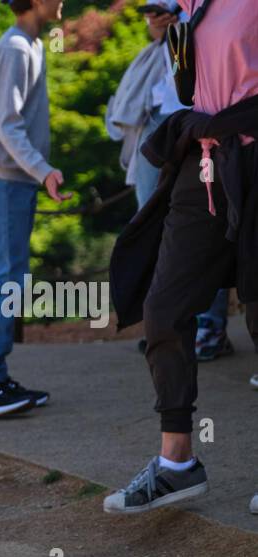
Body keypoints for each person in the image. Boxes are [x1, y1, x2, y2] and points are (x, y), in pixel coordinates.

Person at [105, 0, 258, 516]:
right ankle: (177, 463)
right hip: (205, 154)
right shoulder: (188, 3)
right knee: (164, 306)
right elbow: (189, 84)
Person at [107, 1, 232, 361]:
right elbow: (176, 64)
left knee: (211, 224)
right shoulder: (171, 32)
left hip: (203, 120)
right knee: (155, 225)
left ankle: (209, 326)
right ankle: (167, 323)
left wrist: (183, 22)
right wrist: (164, 30)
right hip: (160, 123)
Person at [0, 0, 70, 417]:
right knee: (6, 279)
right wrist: (43, 170)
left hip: (14, 177)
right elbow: (7, 124)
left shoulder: (30, 45)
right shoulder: (16, 49)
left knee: (12, 279)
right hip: (8, 178)